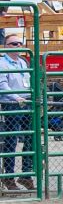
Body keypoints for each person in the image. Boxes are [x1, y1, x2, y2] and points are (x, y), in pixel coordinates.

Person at [0, 34, 34, 191]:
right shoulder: (2, 62)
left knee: (29, 140)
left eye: (20, 43)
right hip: (12, 105)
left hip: (26, 103)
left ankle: (26, 175)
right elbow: (3, 86)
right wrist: (17, 97)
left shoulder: (23, 62)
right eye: (14, 43)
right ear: (6, 46)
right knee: (11, 141)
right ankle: (9, 177)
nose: (18, 45)